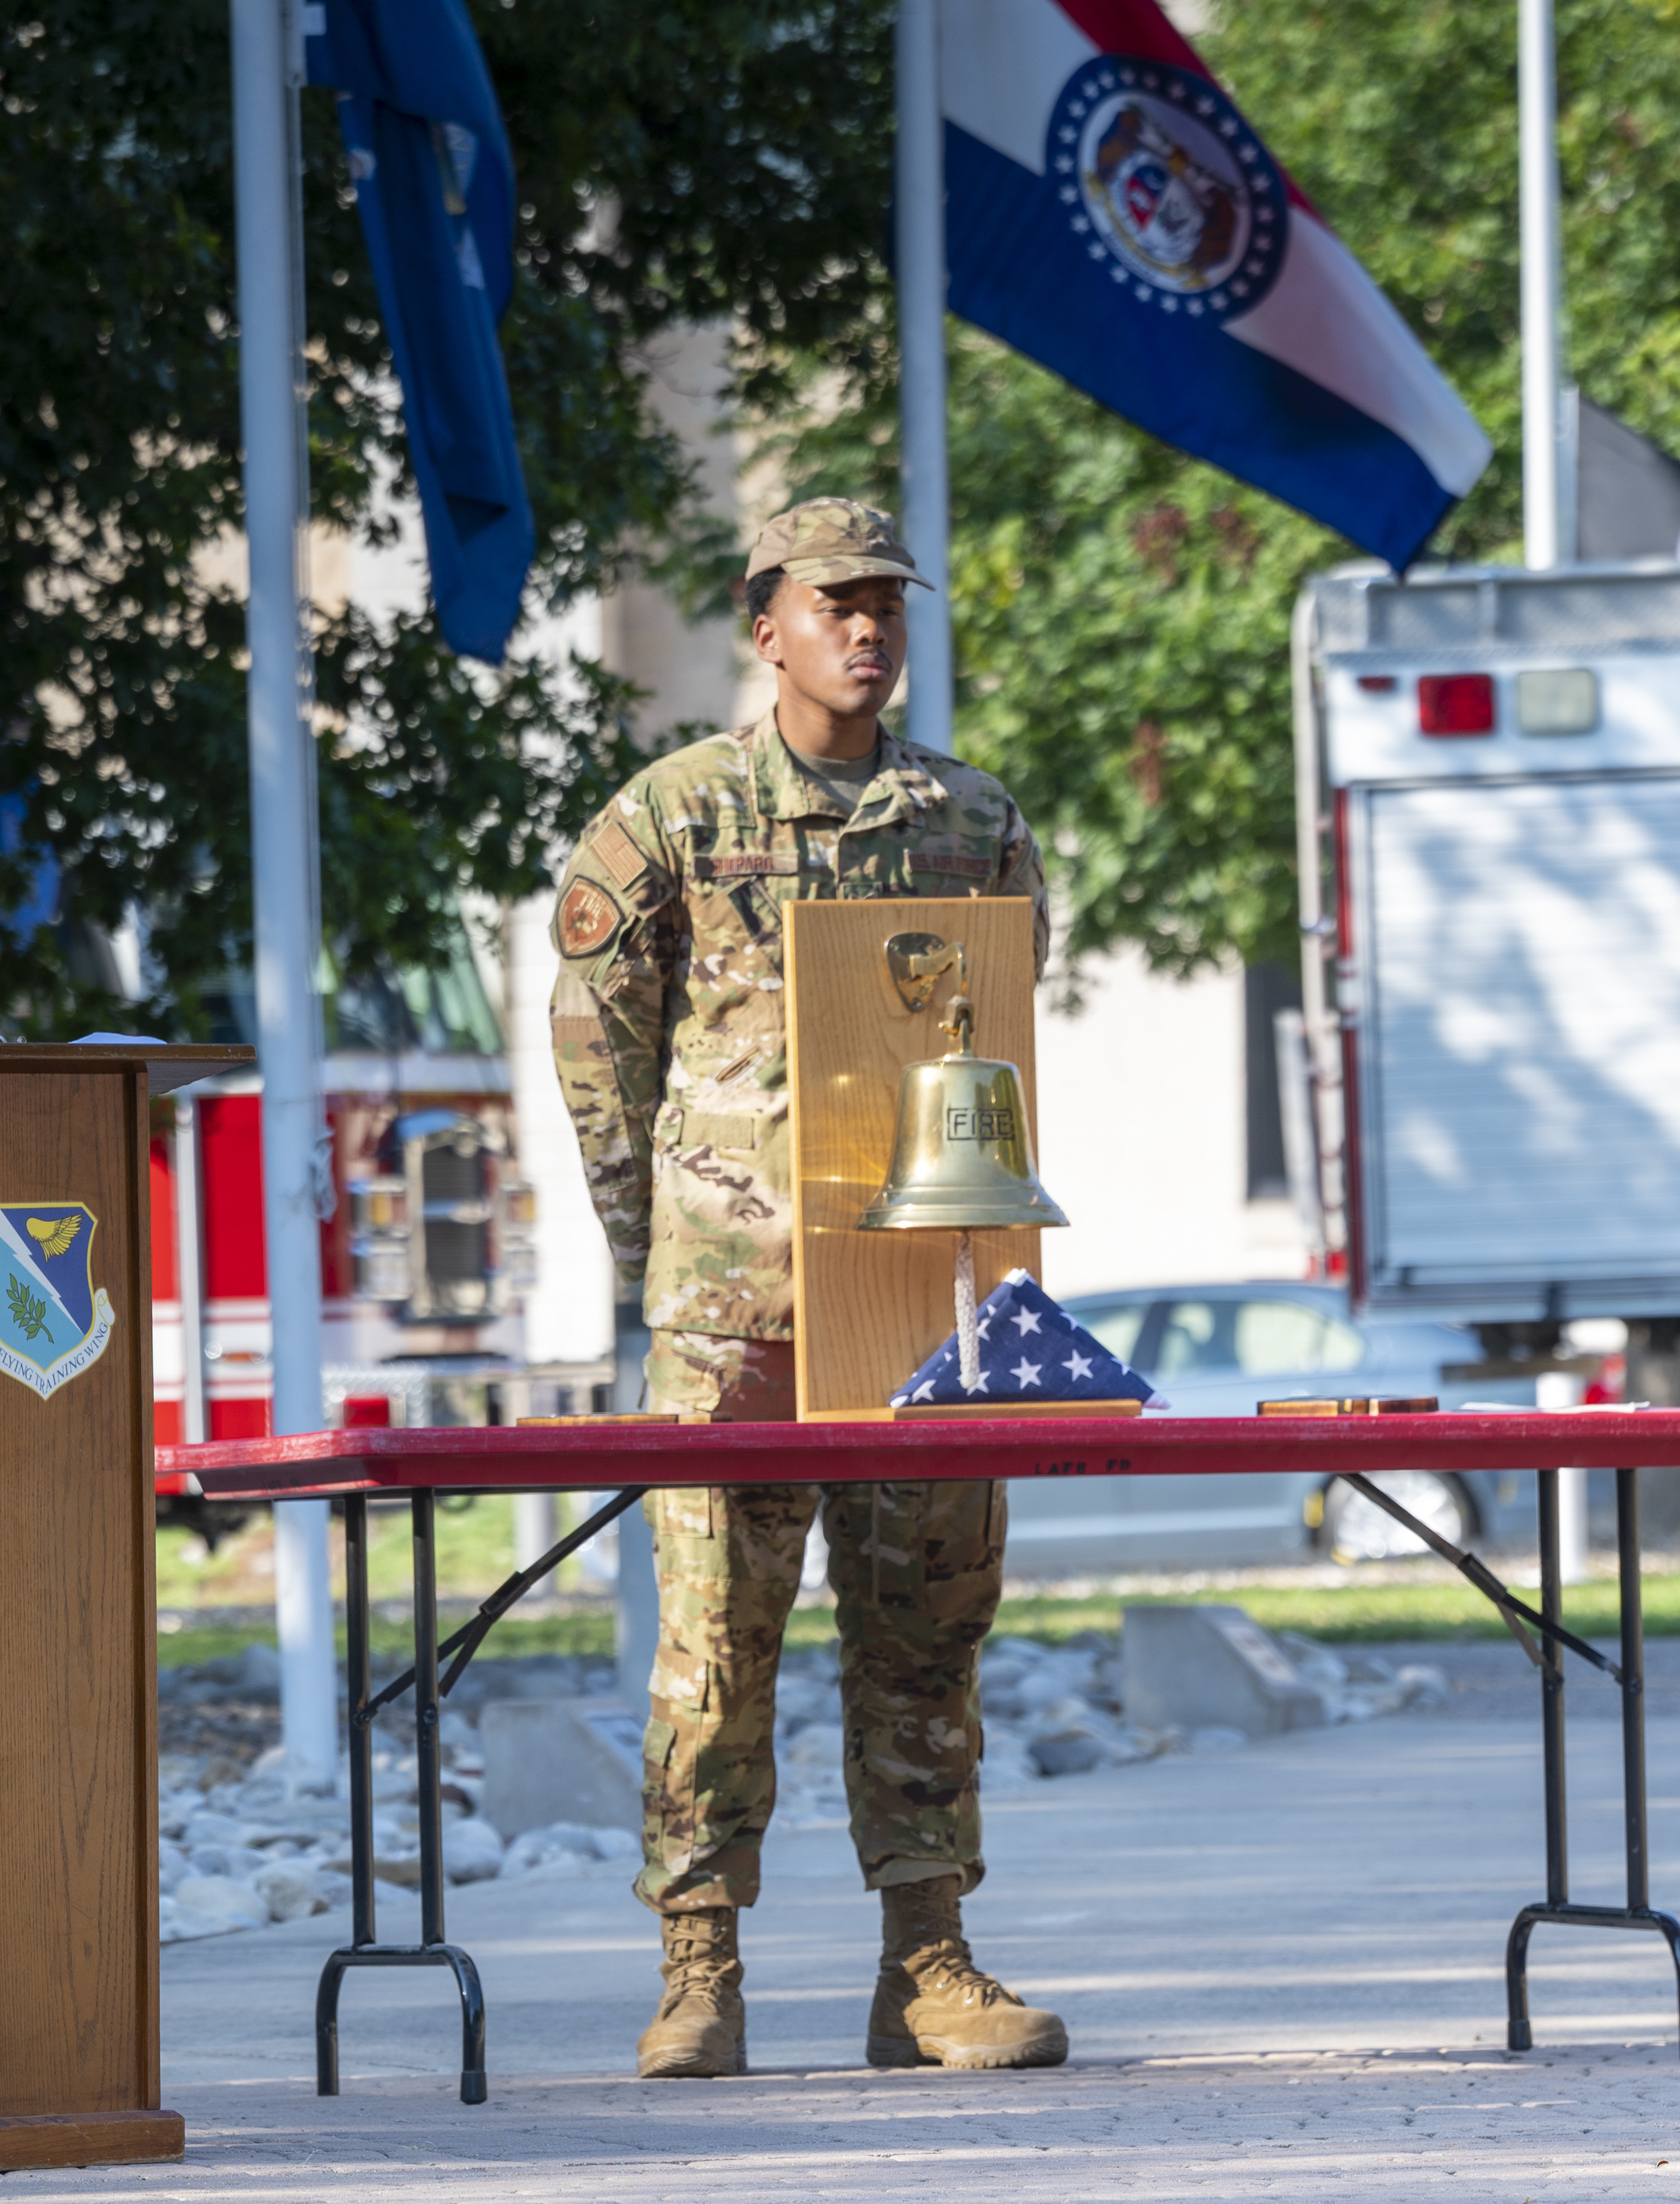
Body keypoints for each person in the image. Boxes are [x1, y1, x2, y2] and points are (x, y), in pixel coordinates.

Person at [547, 497, 1066, 2081]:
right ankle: (699, 1967)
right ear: (758, 619)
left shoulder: (970, 822)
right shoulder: (675, 817)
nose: (865, 626)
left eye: (885, 602)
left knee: (927, 1639)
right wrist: (659, 1262)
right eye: (832, 601)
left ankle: (928, 1966)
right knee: (715, 1650)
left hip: (921, 1303)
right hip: (735, 1322)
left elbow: (1000, 1045)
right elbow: (597, 1053)